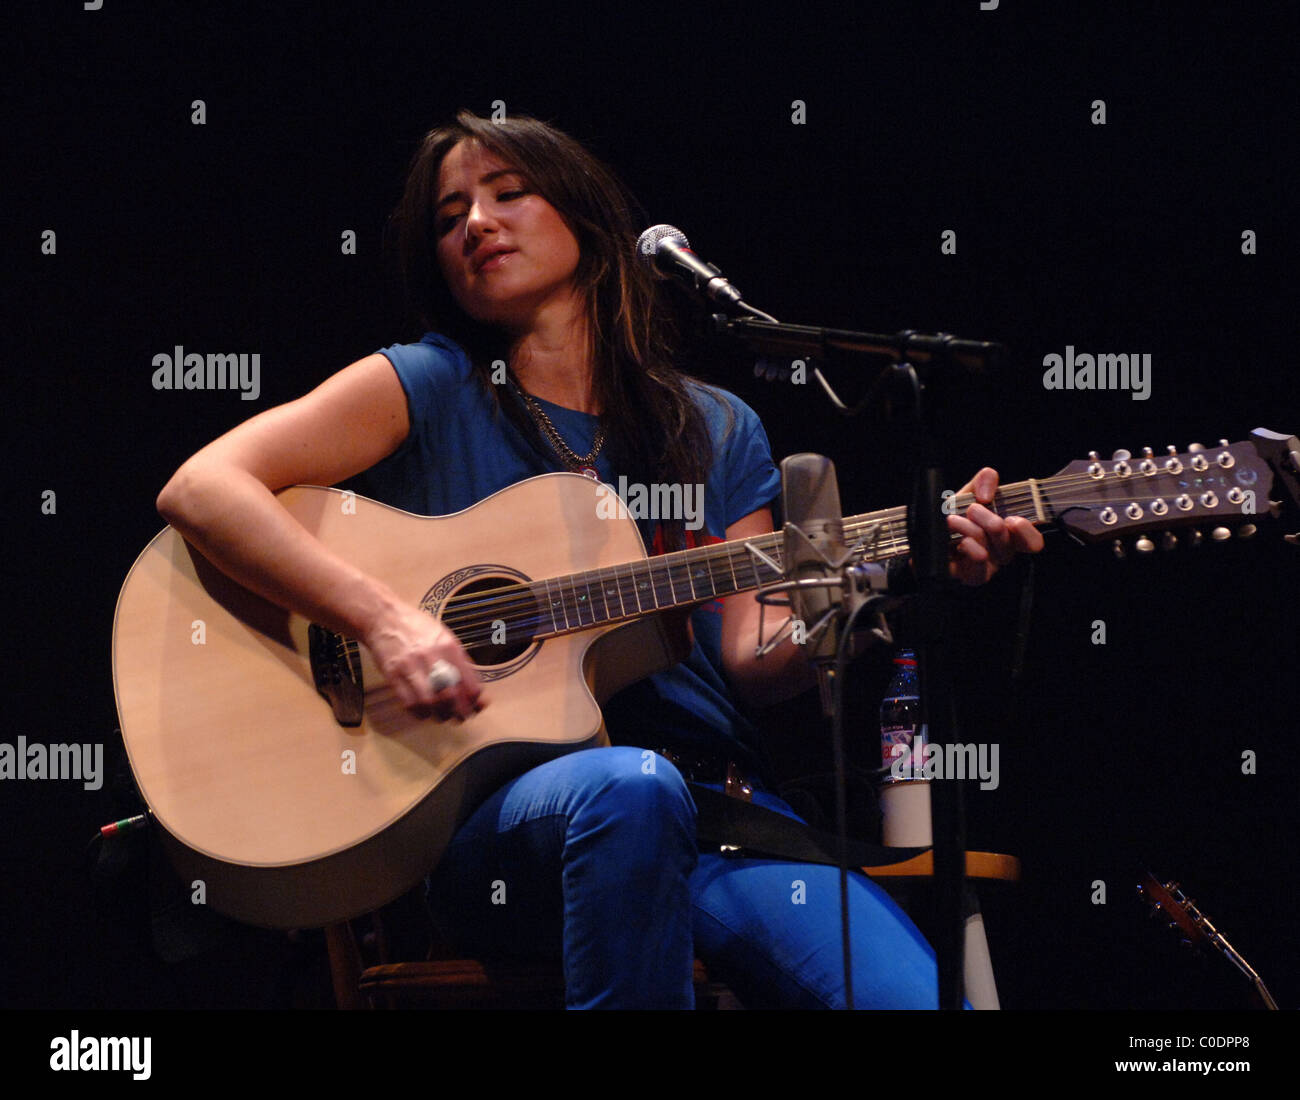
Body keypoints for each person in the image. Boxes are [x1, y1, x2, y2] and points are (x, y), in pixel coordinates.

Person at [156, 109, 1043, 1008]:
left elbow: (752, 658)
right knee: (631, 790)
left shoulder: (716, 425)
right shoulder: (427, 384)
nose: (475, 223)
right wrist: (382, 622)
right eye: (449, 214)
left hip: (719, 818)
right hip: (504, 827)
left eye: (508, 193)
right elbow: (203, 488)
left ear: (586, 219)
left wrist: (891, 577)